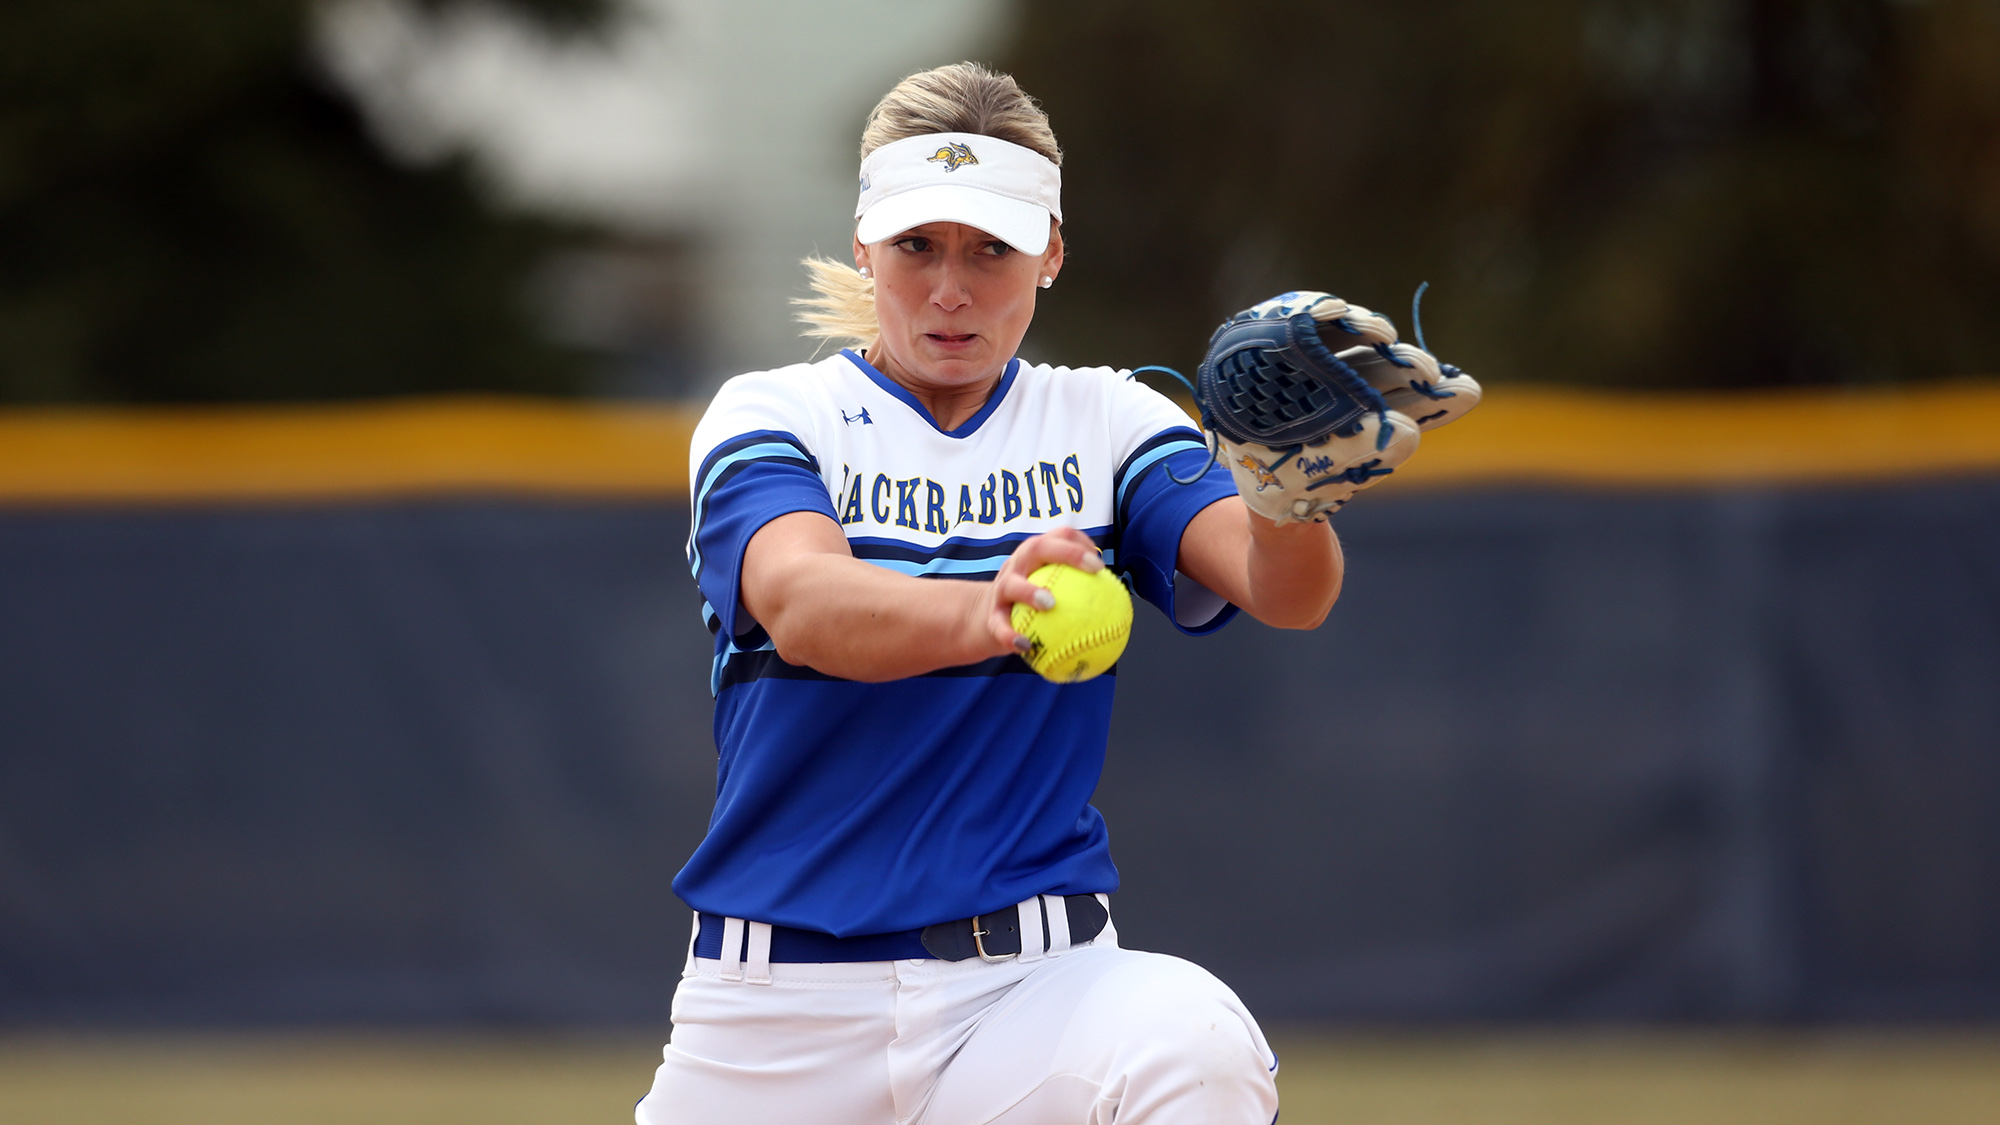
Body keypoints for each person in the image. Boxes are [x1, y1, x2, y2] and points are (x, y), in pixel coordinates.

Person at [637, 61, 1344, 1125]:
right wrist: (991, 611)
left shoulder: (1106, 422)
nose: (950, 287)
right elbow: (804, 604)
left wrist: (1294, 491)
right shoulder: (775, 413)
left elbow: (1276, 587)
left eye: (991, 248)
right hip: (774, 1017)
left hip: (1030, 993)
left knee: (1193, 1051)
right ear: (866, 241)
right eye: (917, 245)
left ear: (1050, 251)